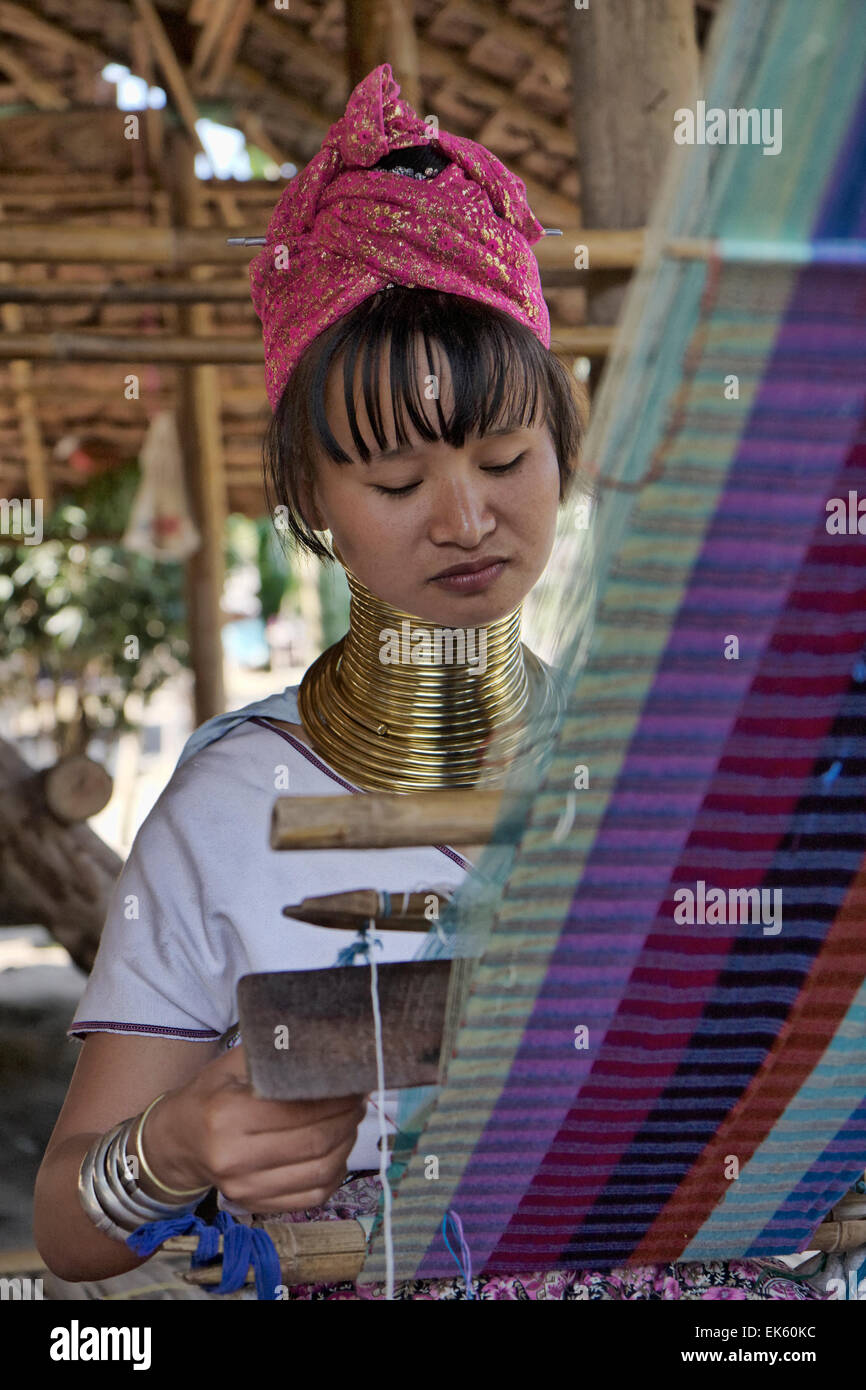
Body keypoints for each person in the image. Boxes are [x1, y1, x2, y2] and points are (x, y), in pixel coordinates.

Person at [34, 66, 827, 1302]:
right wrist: (172, 1147)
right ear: (309, 500)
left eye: (505, 458)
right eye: (397, 483)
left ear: (563, 449)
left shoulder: (668, 767)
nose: (464, 518)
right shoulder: (230, 808)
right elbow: (70, 1229)